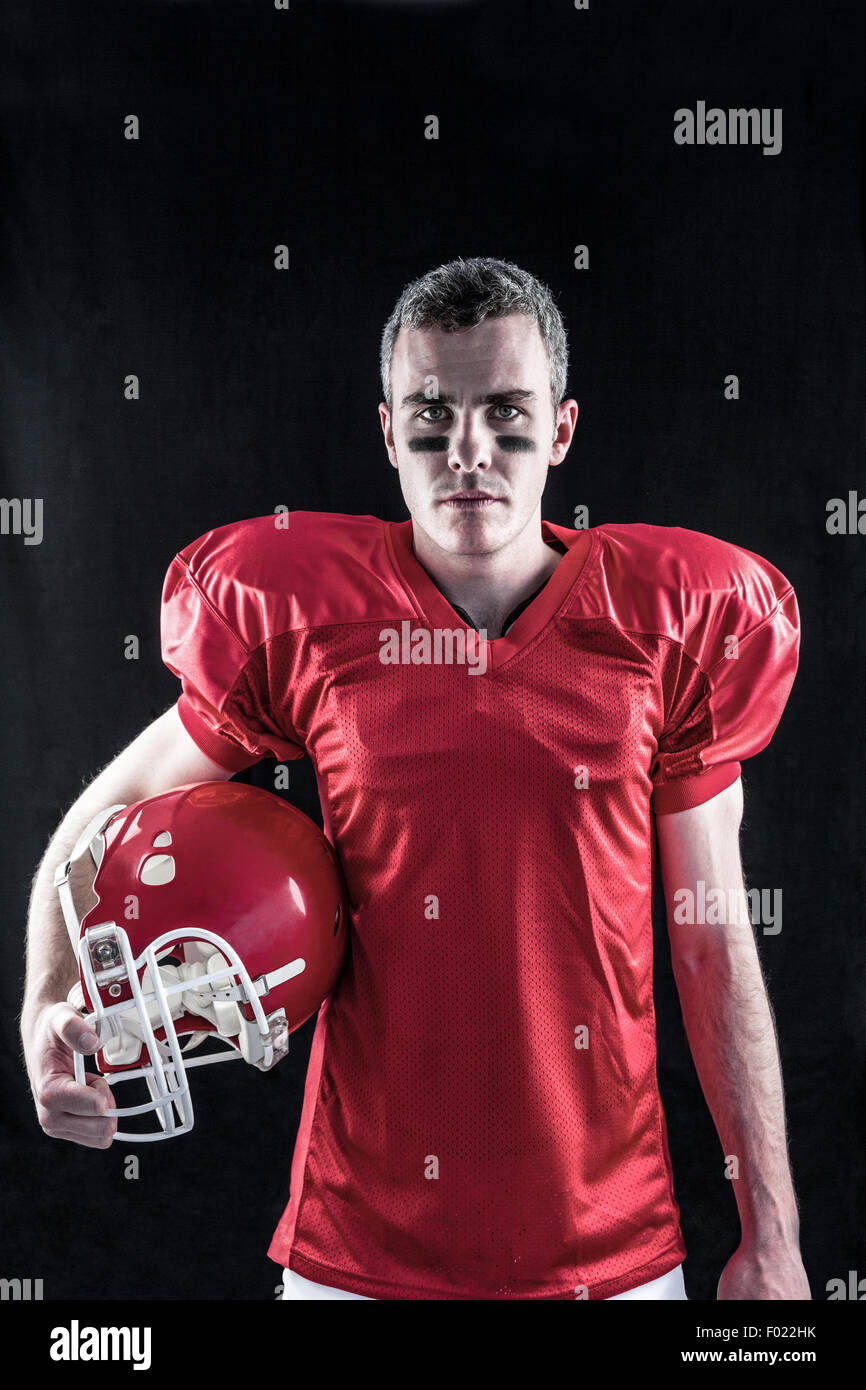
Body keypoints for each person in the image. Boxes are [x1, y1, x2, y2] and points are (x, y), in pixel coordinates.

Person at [21, 256, 810, 1301]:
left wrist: (771, 1231)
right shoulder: (304, 614)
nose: (468, 452)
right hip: (358, 1252)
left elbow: (710, 939)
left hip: (606, 1251)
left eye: (507, 413)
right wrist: (43, 1010)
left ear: (561, 431)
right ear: (388, 433)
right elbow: (99, 825)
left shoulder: (666, 624)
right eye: (432, 416)